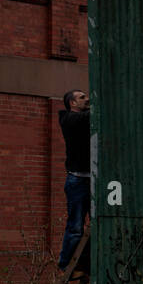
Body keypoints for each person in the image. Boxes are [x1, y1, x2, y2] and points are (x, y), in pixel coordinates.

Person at [58, 89, 91, 273]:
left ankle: (85, 260)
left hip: (90, 180)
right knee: (76, 226)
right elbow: (82, 119)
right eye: (82, 97)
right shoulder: (69, 120)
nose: (86, 99)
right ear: (72, 103)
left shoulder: (85, 119)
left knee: (94, 223)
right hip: (77, 181)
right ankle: (66, 263)